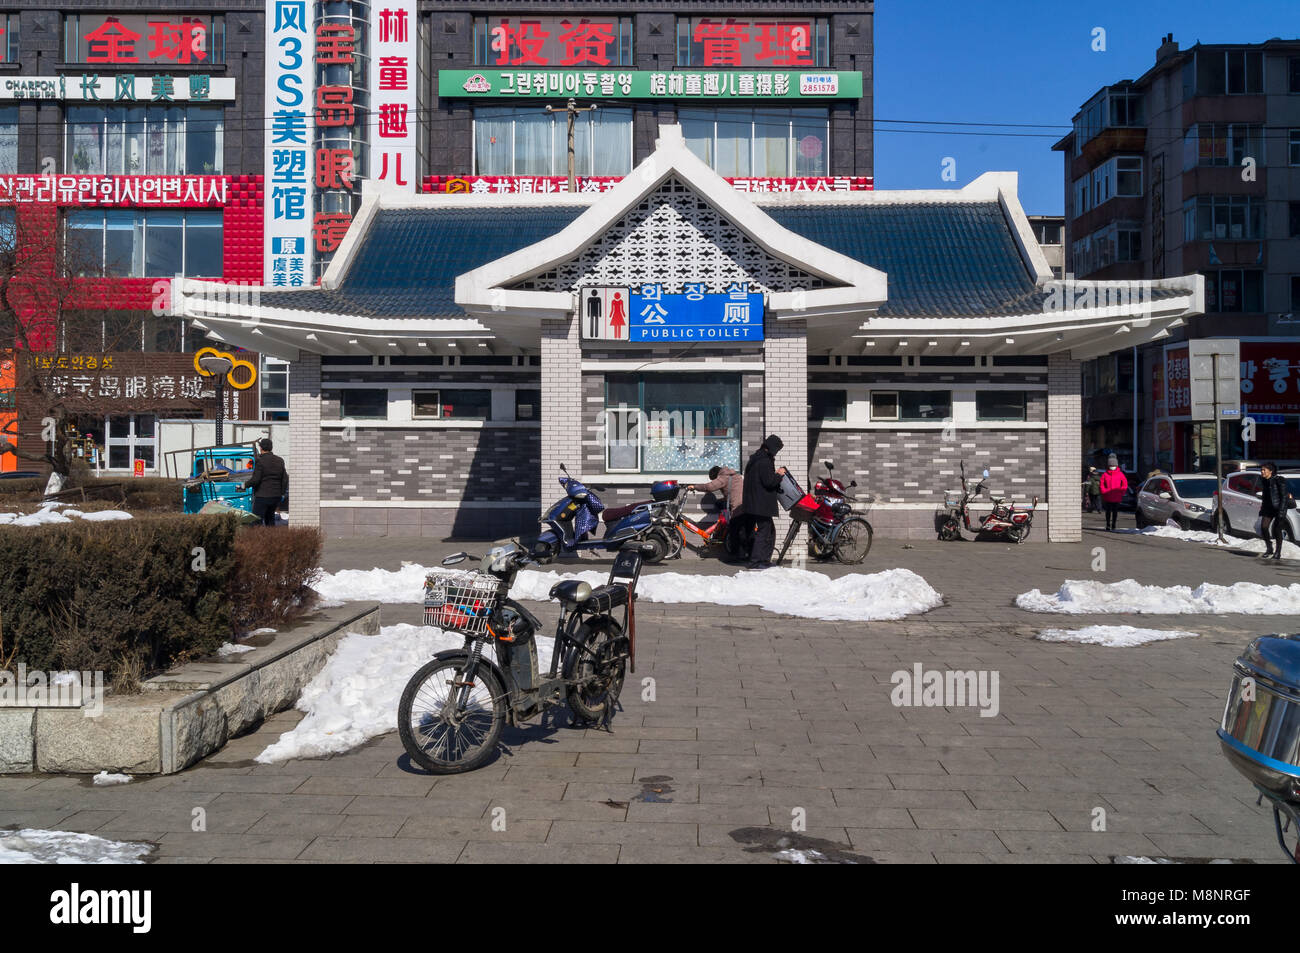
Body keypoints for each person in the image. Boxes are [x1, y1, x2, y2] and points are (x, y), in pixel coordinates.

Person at [741, 434, 787, 569]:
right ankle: (756, 561)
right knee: (764, 531)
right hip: (761, 504)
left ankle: (763, 559)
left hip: (752, 503)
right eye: (777, 450)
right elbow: (768, 482)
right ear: (772, 448)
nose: (777, 453)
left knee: (768, 531)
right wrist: (779, 474)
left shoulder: (755, 459)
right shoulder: (765, 461)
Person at [689, 464, 745, 560]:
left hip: (737, 507)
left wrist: (694, 487)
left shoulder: (723, 477)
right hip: (744, 504)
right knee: (719, 503)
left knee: (734, 530)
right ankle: (722, 528)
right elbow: (734, 491)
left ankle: (737, 555)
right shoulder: (735, 475)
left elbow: (709, 487)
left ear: (716, 476)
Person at [245, 437, 287, 527]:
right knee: (270, 520)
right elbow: (285, 479)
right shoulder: (280, 460)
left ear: (261, 448)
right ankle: (270, 538)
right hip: (276, 496)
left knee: (256, 521)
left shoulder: (260, 461)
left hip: (262, 496)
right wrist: (282, 493)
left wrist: (244, 485)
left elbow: (256, 479)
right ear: (271, 448)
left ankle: (255, 539)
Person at [1258, 462, 1290, 560]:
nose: (1262, 472)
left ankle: (1278, 552)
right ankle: (1269, 547)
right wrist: (1262, 509)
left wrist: (1281, 512)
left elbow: (1284, 497)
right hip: (1268, 509)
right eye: (1261, 470)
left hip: (1279, 508)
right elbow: (1265, 497)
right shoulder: (1264, 481)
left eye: (1264, 470)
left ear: (1270, 471)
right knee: (1264, 527)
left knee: (1277, 530)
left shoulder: (1279, 480)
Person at [1098, 454, 1127, 532]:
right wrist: (1104, 491)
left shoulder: (1120, 474)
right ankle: (1108, 524)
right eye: (1111, 465)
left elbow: (1124, 484)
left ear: (1116, 465)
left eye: (1113, 465)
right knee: (1108, 512)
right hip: (1108, 497)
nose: (1112, 466)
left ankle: (1113, 524)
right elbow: (1101, 484)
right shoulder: (1105, 474)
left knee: (1115, 512)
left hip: (1117, 497)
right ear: (1108, 465)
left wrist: (1121, 492)